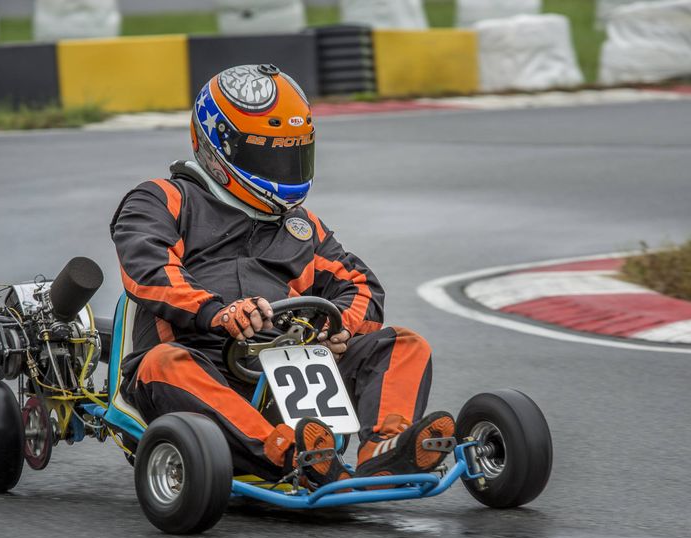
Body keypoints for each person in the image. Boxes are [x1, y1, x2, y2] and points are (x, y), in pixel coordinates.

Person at [110, 64, 454, 487]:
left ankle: (385, 448)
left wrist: (336, 327)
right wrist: (218, 313)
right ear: (223, 145)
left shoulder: (300, 226)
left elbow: (361, 287)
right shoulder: (166, 199)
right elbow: (148, 270)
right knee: (165, 363)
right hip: (196, 366)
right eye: (269, 153)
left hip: (281, 371)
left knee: (403, 344)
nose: (284, 167)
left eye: (293, 152)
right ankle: (288, 454)